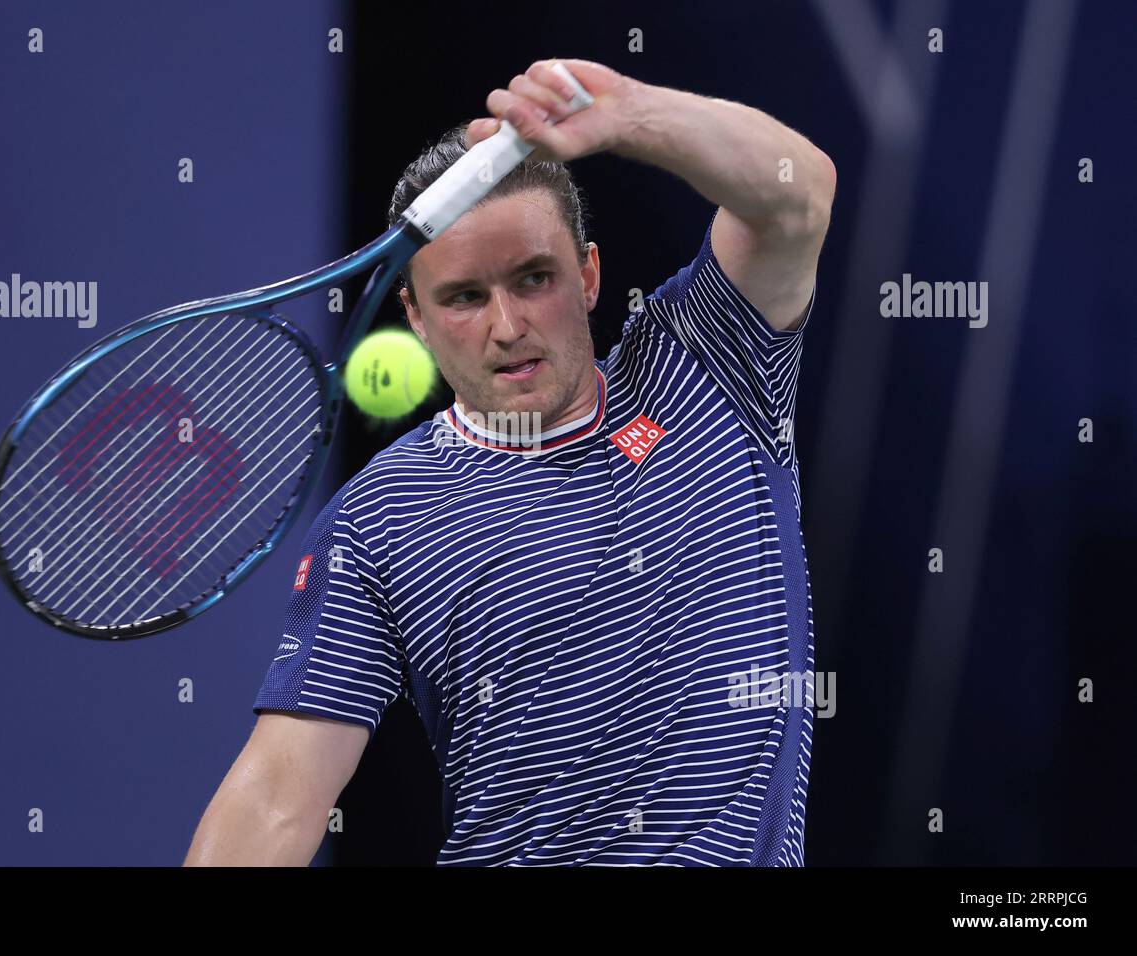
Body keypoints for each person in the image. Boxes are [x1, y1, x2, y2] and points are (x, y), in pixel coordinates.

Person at [185, 58, 835, 866]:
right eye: (464, 296)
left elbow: (797, 193)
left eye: (535, 279)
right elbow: (277, 796)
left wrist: (629, 114)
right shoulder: (380, 517)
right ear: (416, 318)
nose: (507, 325)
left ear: (589, 274)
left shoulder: (706, 368)